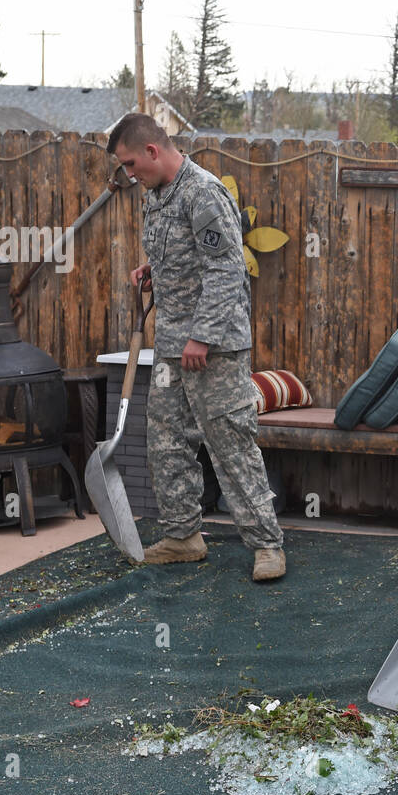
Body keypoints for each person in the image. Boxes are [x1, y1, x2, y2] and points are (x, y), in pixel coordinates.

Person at [108, 113, 285, 581]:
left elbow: (226, 270)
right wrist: (153, 267)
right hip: (171, 343)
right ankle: (183, 535)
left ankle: (267, 545)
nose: (129, 175)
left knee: (230, 443)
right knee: (165, 442)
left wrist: (201, 337)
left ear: (152, 150)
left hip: (213, 346)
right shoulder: (157, 194)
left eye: (130, 164)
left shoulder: (203, 190)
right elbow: (187, 251)